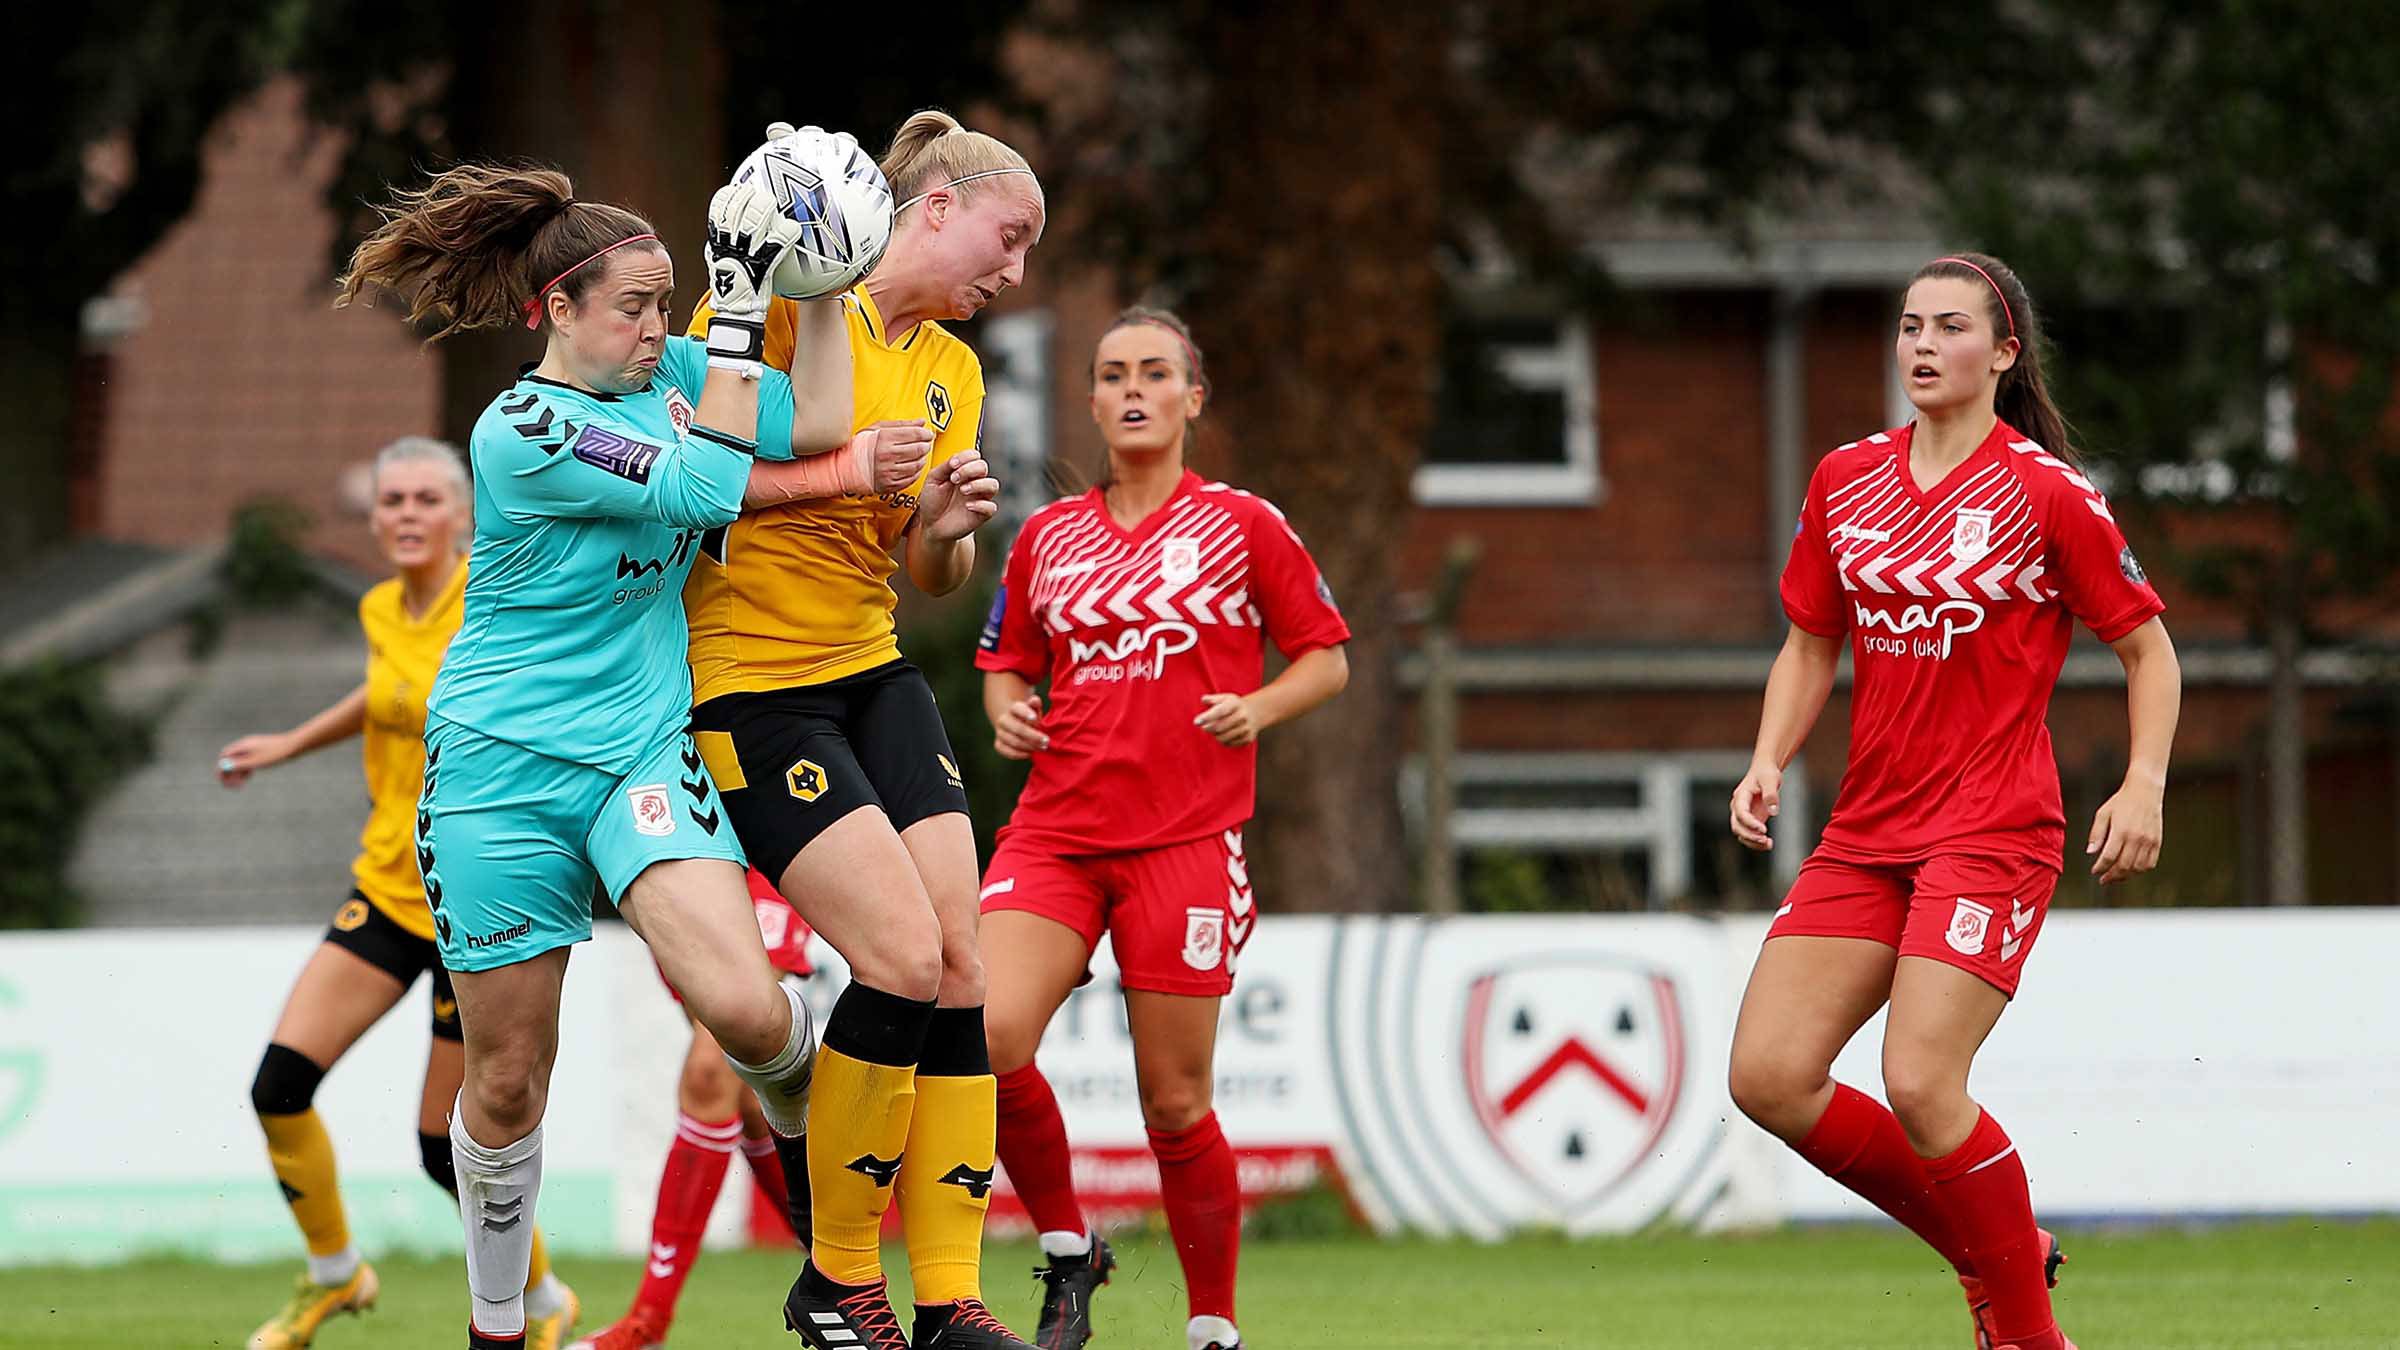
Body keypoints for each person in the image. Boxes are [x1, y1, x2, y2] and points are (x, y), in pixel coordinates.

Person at [334, 157, 926, 1350]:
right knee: (506, 1081)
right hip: (497, 778)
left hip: (638, 762)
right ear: (555, 310)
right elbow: (709, 487)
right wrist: (747, 312)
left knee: (753, 1016)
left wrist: (812, 285)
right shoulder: (523, 428)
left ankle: (830, 1250)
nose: (662, 330)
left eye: (670, 305)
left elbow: (817, 417)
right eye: (637, 308)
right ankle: (498, 1323)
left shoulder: (680, 378)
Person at [1724, 252, 2182, 1350]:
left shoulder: (2045, 492)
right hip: (1868, 830)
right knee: (1770, 1077)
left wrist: (2145, 782)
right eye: (1908, 327)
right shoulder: (1845, 478)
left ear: (2004, 351)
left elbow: (2149, 651)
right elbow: (1808, 643)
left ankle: (2026, 1333)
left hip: (1991, 827)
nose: (1923, 346)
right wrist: (1766, 759)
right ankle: (2004, 1247)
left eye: (1951, 328)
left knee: (1923, 1079)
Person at [682, 111, 1030, 1350]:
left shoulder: (956, 370)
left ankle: (949, 1300)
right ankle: (837, 1280)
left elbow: (933, 576)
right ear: (933, 206)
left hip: (873, 672)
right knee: (895, 957)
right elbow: (694, 486)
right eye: (1009, 236)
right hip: (752, 686)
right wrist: (844, 471)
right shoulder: (781, 297)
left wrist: (940, 517)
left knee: (960, 965)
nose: (1015, 272)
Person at [978, 308, 1352, 1350]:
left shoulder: (1243, 524)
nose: (1132, 389)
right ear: (1091, 401)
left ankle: (1214, 1326)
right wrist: (1009, 705)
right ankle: (1066, 1252)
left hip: (1185, 840)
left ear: (1194, 397)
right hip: (1052, 833)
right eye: (1111, 375)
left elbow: (1327, 655)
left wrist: (1261, 708)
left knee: (1175, 1102)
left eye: (1155, 373)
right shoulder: (1047, 534)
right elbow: (1006, 657)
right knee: (986, 1037)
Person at [220, 437, 580, 1350]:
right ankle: (336, 1275)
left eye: (428, 498)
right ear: (375, 518)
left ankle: (541, 1305)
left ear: (465, 515)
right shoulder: (383, 607)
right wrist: (289, 744)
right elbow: (389, 694)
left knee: (442, 1149)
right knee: (279, 1086)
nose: (409, 514)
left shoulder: (490, 600)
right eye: (393, 501)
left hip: (476, 901)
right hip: (384, 888)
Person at [570, 867, 813, 1350]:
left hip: (771, 840)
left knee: (711, 1071)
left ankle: (649, 1321)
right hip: (682, 852)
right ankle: (847, 1281)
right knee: (746, 1092)